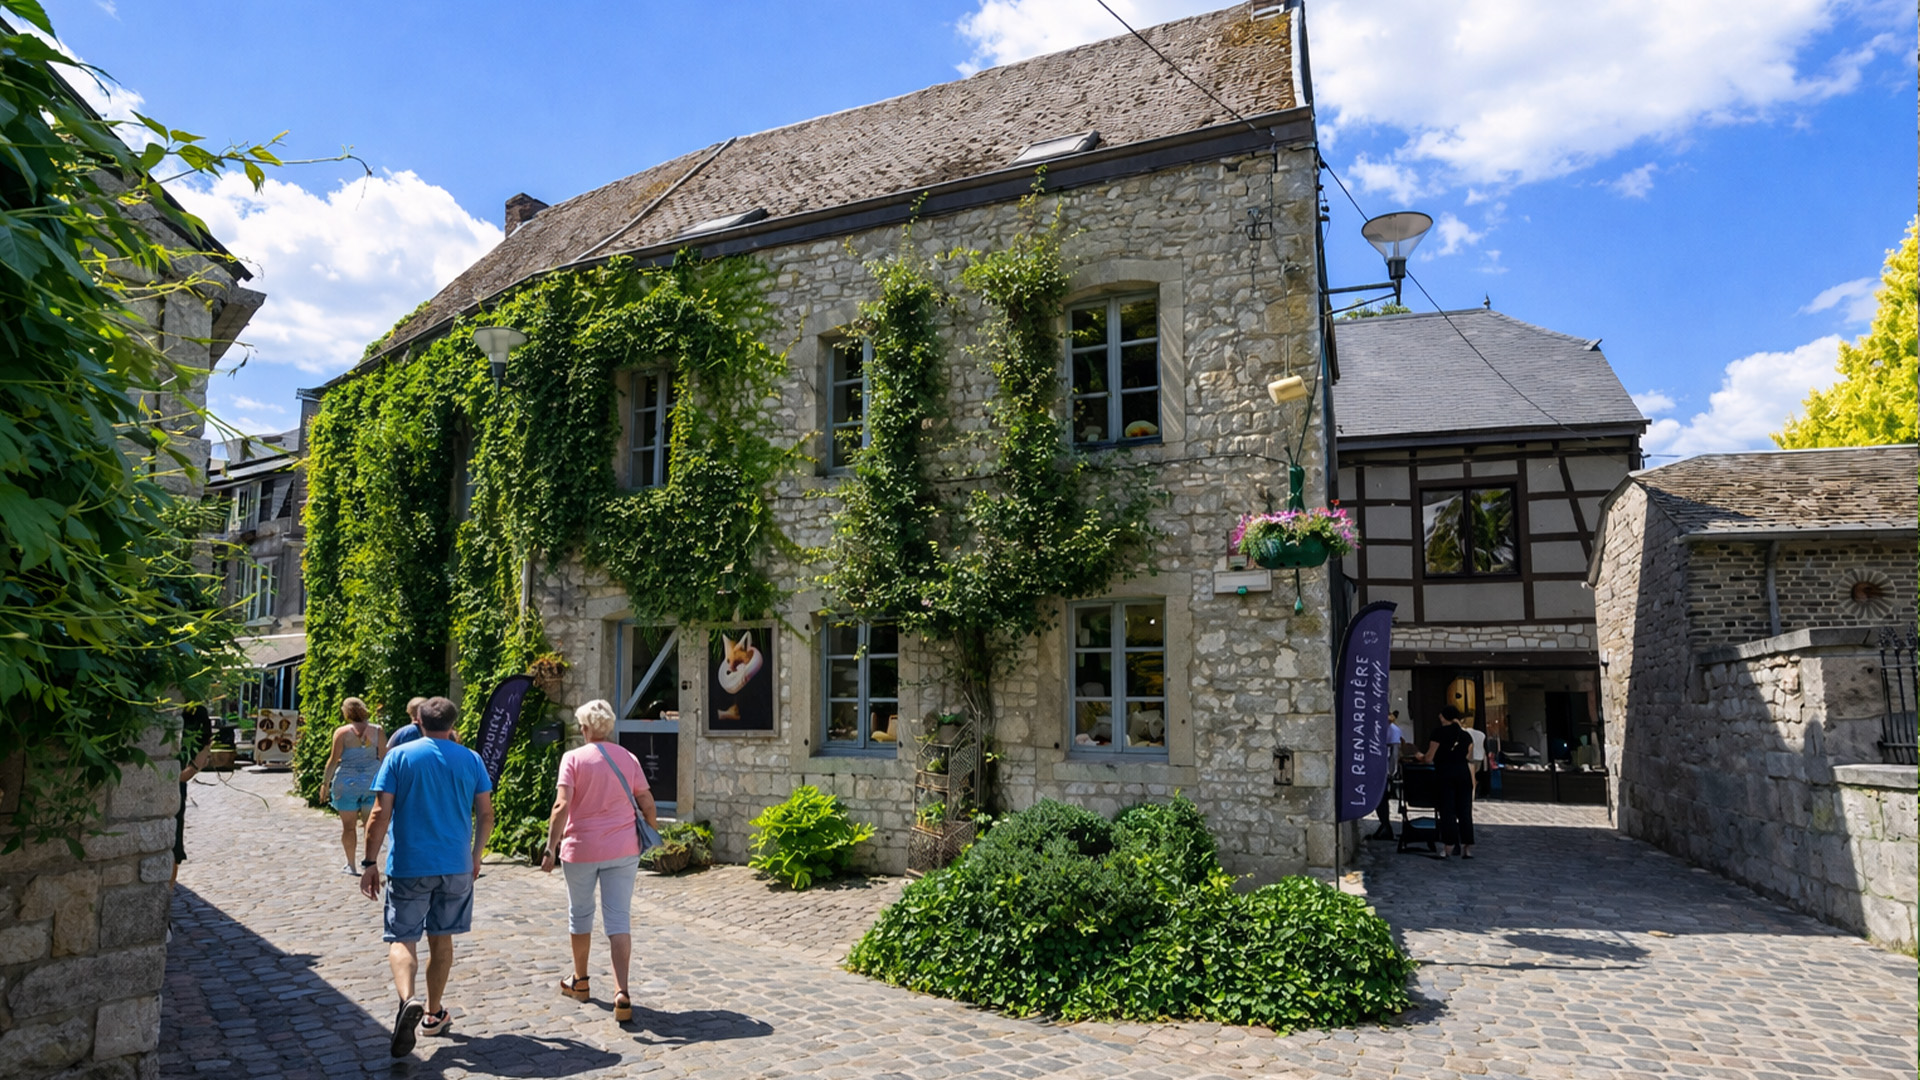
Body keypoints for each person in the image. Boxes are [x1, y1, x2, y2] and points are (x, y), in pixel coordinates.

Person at [360, 696, 494, 1057]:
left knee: (402, 938)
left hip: (410, 864)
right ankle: (434, 1014)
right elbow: (486, 814)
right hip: (455, 864)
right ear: (453, 723)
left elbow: (379, 814)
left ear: (418, 721)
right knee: (442, 938)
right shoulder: (471, 759)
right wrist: (476, 856)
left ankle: (408, 999)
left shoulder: (399, 757)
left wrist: (369, 862)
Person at [541, 699, 656, 1024]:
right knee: (618, 919)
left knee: (580, 913)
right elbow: (646, 800)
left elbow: (561, 806)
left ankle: (581, 981)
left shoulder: (573, 758)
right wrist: (651, 833)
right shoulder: (628, 758)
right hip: (623, 848)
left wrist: (550, 847)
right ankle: (622, 991)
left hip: (581, 849)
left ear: (586, 728)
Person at [320, 697, 387, 875]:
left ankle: (350, 864)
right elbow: (384, 758)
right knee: (369, 826)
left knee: (348, 827)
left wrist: (325, 784)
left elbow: (333, 760)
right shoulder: (378, 730)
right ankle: (369, 863)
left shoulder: (342, 732)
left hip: (347, 783)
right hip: (372, 782)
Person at [1417, 704, 1476, 859]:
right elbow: (1469, 757)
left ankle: (1448, 847)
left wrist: (1418, 756)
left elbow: (1429, 757)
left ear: (1443, 717)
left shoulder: (1438, 733)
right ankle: (1467, 848)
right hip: (1463, 774)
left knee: (1447, 810)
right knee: (1465, 811)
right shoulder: (1466, 735)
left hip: (1445, 774)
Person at [171, 705, 213, 890]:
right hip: (174, 788)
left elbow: (205, 742)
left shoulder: (196, 711)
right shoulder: (195, 711)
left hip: (175, 790)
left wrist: (194, 767)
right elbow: (205, 746)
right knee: (172, 849)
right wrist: (195, 766)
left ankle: (165, 901)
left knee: (173, 850)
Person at [1370, 710, 1404, 840]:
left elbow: (1394, 754)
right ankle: (1384, 824)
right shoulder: (1383, 729)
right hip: (1377, 767)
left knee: (1382, 798)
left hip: (1383, 769)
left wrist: (1391, 771)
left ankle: (1385, 824)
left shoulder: (1393, 731)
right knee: (1380, 798)